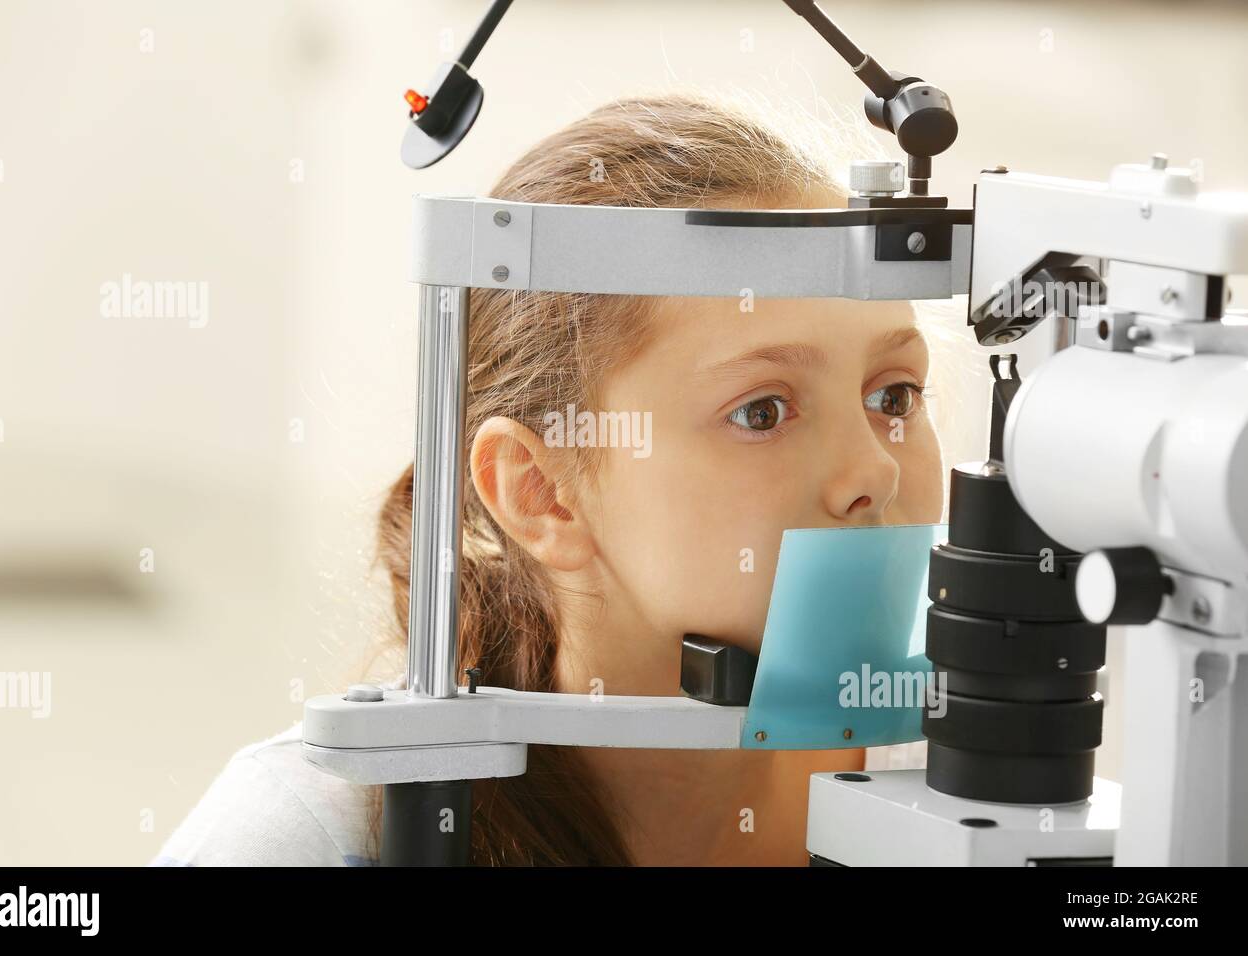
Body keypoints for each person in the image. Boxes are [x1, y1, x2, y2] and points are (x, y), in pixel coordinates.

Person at [152, 89, 946, 867]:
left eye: (893, 396)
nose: (872, 470)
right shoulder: (311, 836)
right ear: (541, 493)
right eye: (763, 412)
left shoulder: (958, 801)